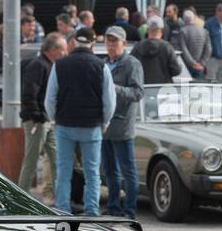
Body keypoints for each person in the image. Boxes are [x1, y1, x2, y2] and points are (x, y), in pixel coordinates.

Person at [44, 26, 116, 215]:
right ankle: (92, 210)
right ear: (93, 43)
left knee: (63, 172)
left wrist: (54, 119)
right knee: (92, 173)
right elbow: (109, 100)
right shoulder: (101, 66)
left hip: (64, 125)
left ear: (74, 41)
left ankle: (62, 209)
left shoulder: (59, 65)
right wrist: (105, 121)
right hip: (91, 126)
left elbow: (50, 98)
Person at [101, 26, 144, 219]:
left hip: (122, 125)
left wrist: (115, 89)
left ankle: (129, 210)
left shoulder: (132, 64)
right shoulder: (102, 63)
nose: (111, 45)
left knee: (128, 171)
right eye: (108, 41)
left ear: (124, 43)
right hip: (104, 125)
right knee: (109, 171)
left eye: (115, 42)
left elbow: (138, 93)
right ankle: (112, 207)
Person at [19, 33, 66, 202]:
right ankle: (22, 198)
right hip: (37, 121)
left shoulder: (50, 65)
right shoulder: (38, 65)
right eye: (63, 49)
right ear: (53, 50)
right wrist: (37, 117)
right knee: (31, 161)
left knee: (56, 159)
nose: (65, 53)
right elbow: (29, 93)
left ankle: (60, 197)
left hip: (48, 120)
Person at [133, 16, 183, 85]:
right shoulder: (167, 47)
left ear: (147, 30)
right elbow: (176, 70)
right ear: (162, 30)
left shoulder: (138, 46)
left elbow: (130, 68)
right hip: (163, 90)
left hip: (143, 88)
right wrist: (180, 66)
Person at [177, 10, 211, 79]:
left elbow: (184, 49)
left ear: (184, 20)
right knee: (199, 88)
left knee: (186, 88)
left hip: (187, 66)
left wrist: (193, 63)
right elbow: (209, 49)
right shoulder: (204, 31)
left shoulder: (183, 31)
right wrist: (202, 63)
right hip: (200, 66)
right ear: (194, 19)